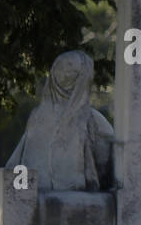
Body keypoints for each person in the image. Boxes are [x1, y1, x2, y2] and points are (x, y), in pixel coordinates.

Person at [7, 51, 114, 191]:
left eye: (71, 69)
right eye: (60, 66)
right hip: (34, 197)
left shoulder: (92, 119)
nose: (63, 72)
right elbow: (19, 160)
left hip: (76, 201)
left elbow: (106, 165)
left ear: (82, 77)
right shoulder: (38, 116)